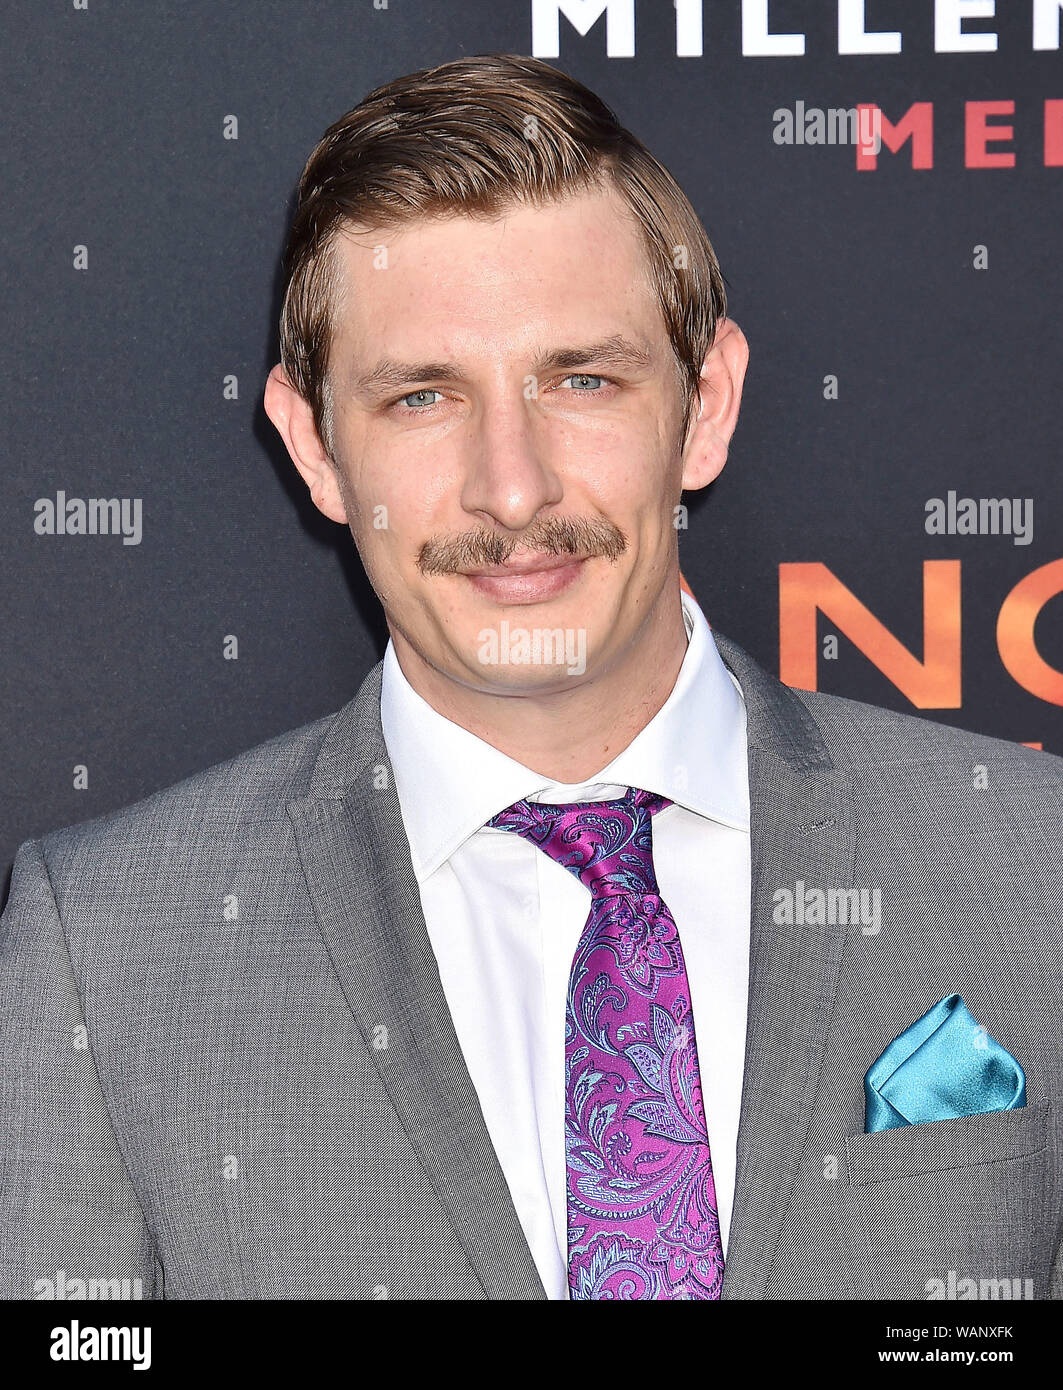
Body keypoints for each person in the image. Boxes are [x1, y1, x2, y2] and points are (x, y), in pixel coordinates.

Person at [1, 53, 1060, 1302]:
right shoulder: (111, 950)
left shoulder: (1032, 864)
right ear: (315, 448)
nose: (514, 487)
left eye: (581, 380)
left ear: (705, 405)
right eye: (421, 396)